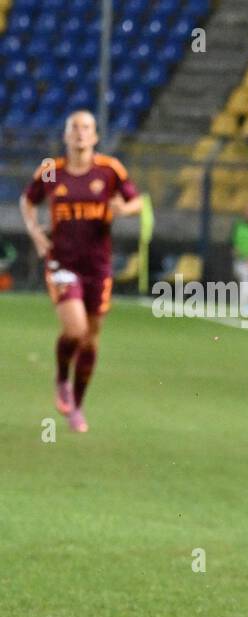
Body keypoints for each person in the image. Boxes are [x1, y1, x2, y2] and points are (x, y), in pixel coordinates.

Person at [18, 109, 143, 433]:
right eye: (74, 127)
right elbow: (27, 201)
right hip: (62, 262)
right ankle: (61, 379)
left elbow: (137, 202)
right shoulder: (51, 171)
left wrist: (123, 208)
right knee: (75, 329)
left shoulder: (110, 169)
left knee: (90, 340)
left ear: (96, 136)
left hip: (98, 265)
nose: (80, 133)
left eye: (86, 127)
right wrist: (35, 233)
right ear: (65, 135)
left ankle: (77, 404)